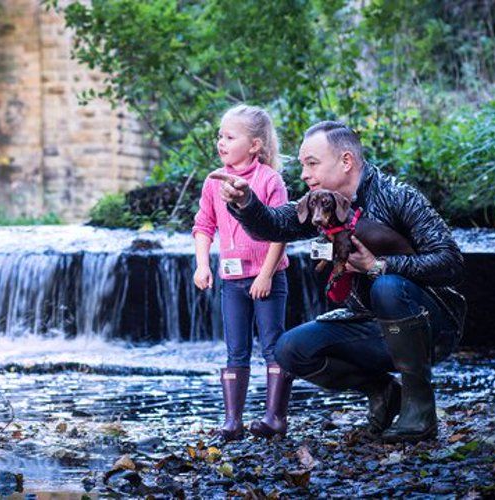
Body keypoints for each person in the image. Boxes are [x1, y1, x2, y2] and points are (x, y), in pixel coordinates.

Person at [207, 121, 465, 444]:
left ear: (346, 162)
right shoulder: (320, 203)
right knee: (289, 349)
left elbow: (451, 262)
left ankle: (419, 409)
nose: (303, 174)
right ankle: (384, 392)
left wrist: (378, 266)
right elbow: (273, 225)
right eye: (302, 164)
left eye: (311, 163)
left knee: (387, 285)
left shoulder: (399, 196)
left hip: (433, 326)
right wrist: (245, 202)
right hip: (368, 325)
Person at [192, 104, 292, 440]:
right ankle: (232, 421)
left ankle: (275, 418)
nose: (221, 142)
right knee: (236, 349)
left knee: (272, 345)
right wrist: (203, 264)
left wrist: (266, 274)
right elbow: (204, 224)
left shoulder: (269, 180)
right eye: (220, 135)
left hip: (268, 278)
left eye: (230, 136)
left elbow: (281, 230)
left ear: (255, 145)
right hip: (231, 280)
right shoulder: (213, 181)